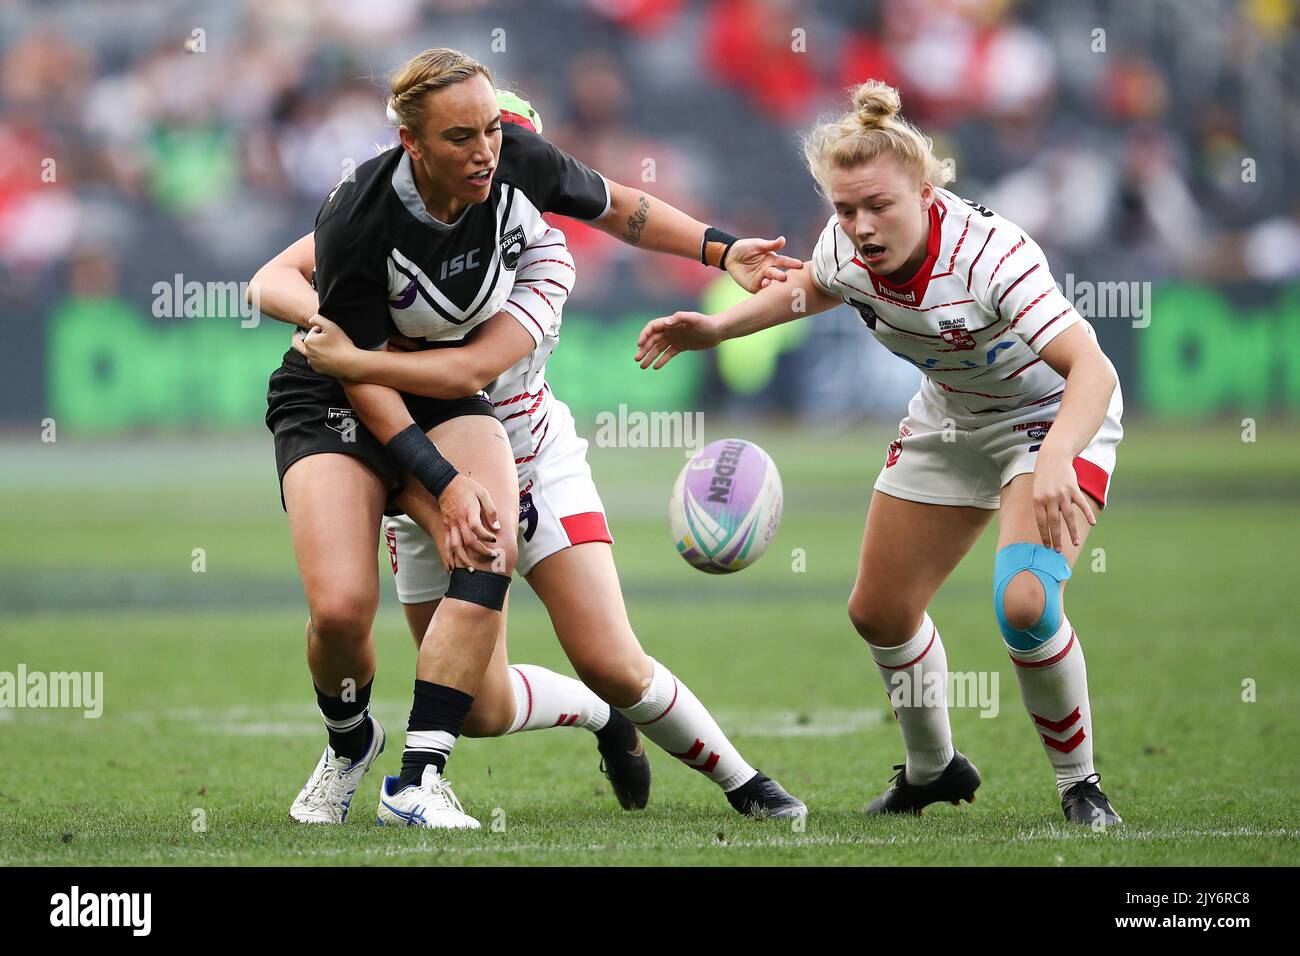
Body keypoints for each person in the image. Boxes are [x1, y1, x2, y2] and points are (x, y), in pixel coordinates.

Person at [252, 52, 808, 823]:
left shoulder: (545, 250)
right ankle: (555, 723)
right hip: (420, 428)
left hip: (529, 451)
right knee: (472, 703)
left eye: (501, 143)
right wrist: (325, 336)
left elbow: (471, 366)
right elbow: (280, 276)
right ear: (418, 143)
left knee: (614, 661)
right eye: (465, 139)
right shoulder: (372, 210)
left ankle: (746, 784)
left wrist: (719, 249)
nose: (491, 160)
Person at [636, 80, 1125, 827]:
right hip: (952, 419)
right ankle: (932, 771)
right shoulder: (846, 247)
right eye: (845, 209)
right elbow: (810, 289)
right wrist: (715, 328)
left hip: (1049, 419)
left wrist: (1057, 458)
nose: (860, 226)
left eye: (878, 206)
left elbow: (1093, 369)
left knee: (1025, 604)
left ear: (926, 193)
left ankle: (1080, 785)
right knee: (879, 612)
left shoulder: (991, 257)